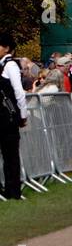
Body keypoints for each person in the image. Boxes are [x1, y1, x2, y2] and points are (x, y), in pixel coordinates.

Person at [0, 32, 28, 200]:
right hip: (2, 117)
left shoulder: (10, 66)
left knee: (10, 154)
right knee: (6, 153)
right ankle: (8, 188)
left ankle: (14, 190)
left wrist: (22, 115)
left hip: (8, 118)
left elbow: (19, 92)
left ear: (7, 48)